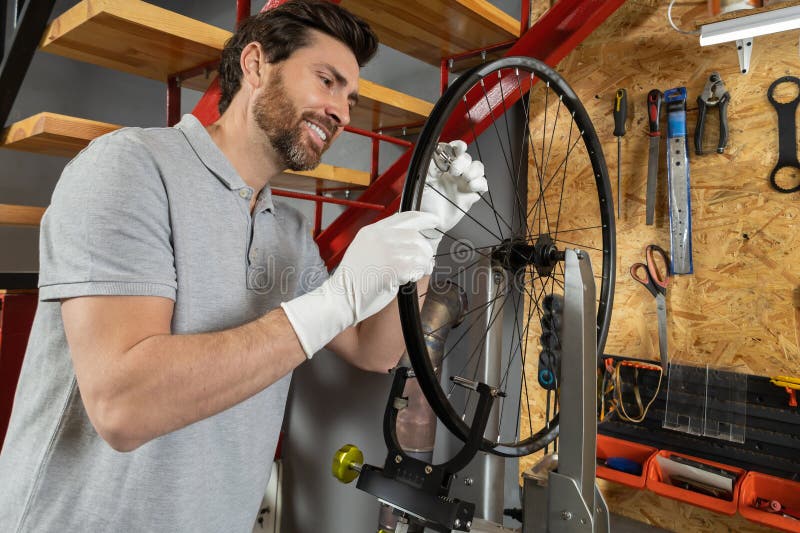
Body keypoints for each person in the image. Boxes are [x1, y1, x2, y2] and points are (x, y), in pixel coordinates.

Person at [0, 1, 486, 531]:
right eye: (327, 80)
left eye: (350, 98)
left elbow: (375, 349)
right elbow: (123, 406)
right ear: (255, 65)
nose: (342, 112)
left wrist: (425, 228)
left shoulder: (290, 232)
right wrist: (334, 300)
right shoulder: (129, 167)